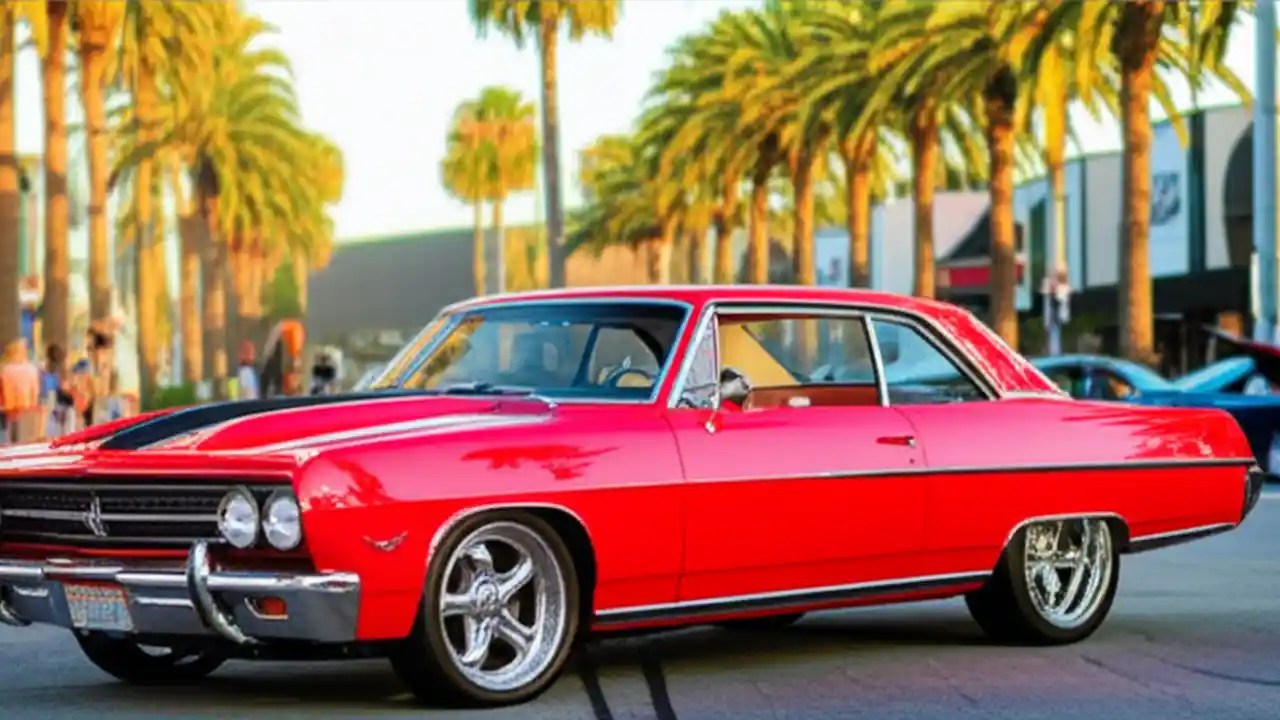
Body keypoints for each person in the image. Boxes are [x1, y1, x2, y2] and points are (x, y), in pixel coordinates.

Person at [1, 339, 42, 443]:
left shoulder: (5, 371)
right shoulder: (32, 370)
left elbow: (4, 396)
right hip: (29, 413)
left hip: (10, 414)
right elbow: (35, 394)